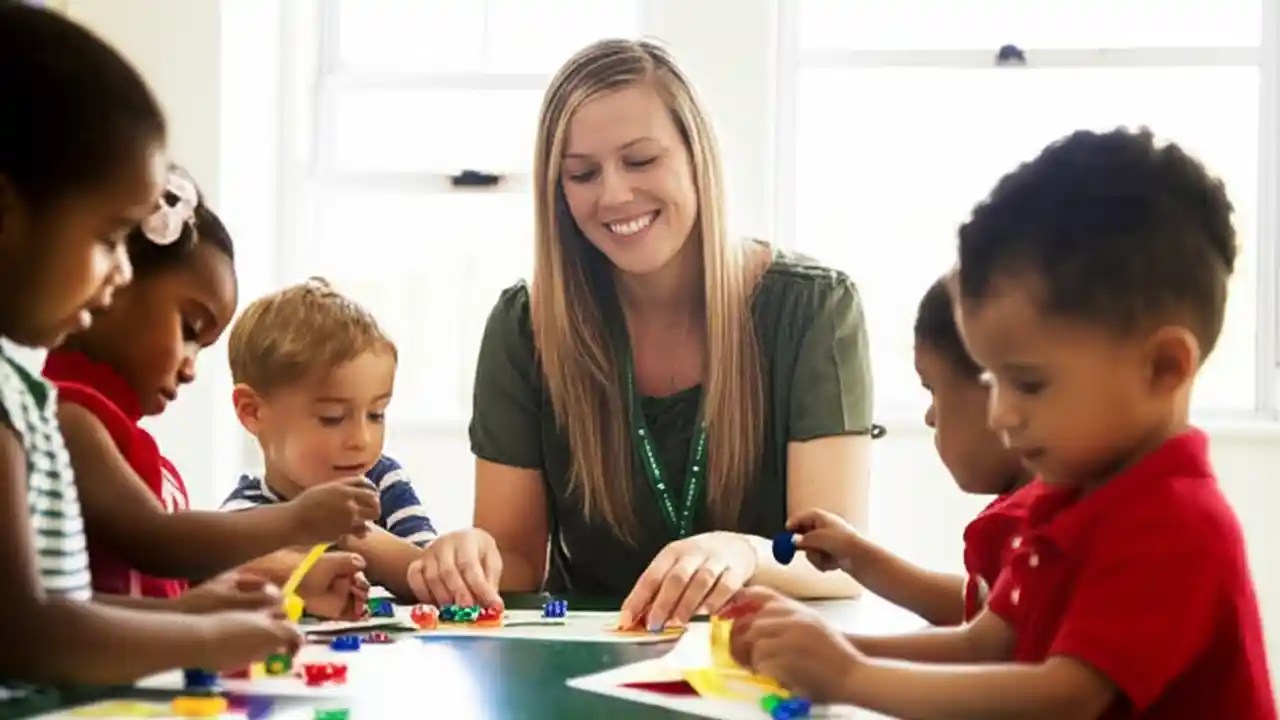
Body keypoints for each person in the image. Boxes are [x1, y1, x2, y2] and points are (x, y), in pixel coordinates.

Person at [727, 128, 1276, 719]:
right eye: (993, 381)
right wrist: (822, 652)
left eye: (1029, 384)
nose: (1002, 414)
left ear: (1164, 367)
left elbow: (1064, 697)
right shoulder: (1065, 500)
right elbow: (985, 644)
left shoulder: (1173, 523)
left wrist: (850, 675)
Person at [410, 38, 878, 630]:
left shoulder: (815, 308)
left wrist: (745, 552)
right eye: (582, 174)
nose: (614, 195)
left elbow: (834, 563)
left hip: (760, 660)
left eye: (640, 160)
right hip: (583, 661)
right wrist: (467, 559)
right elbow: (520, 564)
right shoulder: (523, 328)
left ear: (695, 157)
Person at [0, 4, 298, 696]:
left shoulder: (21, 391)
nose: (122, 271)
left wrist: (183, 612)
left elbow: (52, 612)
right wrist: (201, 634)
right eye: (109, 237)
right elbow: (21, 634)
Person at [46, 169, 378, 615]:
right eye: (189, 329)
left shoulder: (118, 436)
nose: (189, 370)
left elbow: (169, 574)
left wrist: (295, 580)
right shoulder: (69, 417)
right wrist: (295, 520)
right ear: (114, 282)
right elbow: (155, 542)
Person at [791, 275, 1032, 626]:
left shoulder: (1046, 531)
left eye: (933, 390)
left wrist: (842, 661)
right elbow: (982, 609)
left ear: (999, 390)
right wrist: (856, 555)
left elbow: (987, 645)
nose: (930, 417)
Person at [221, 278, 442, 608]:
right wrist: (305, 569)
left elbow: (431, 578)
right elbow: (226, 581)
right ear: (253, 412)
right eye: (332, 418)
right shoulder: (246, 513)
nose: (362, 440)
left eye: (376, 414)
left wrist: (355, 538)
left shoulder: (383, 481)